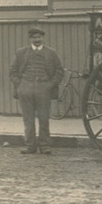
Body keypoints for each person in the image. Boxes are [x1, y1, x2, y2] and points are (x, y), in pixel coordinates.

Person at [9, 27, 64, 155]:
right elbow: (12, 72)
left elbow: (59, 71)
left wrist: (50, 85)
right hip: (25, 88)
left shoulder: (51, 53)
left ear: (43, 38)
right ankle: (30, 146)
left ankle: (44, 146)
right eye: (34, 37)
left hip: (43, 88)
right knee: (28, 119)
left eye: (39, 37)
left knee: (44, 118)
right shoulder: (21, 53)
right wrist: (21, 84)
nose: (37, 40)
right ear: (30, 39)